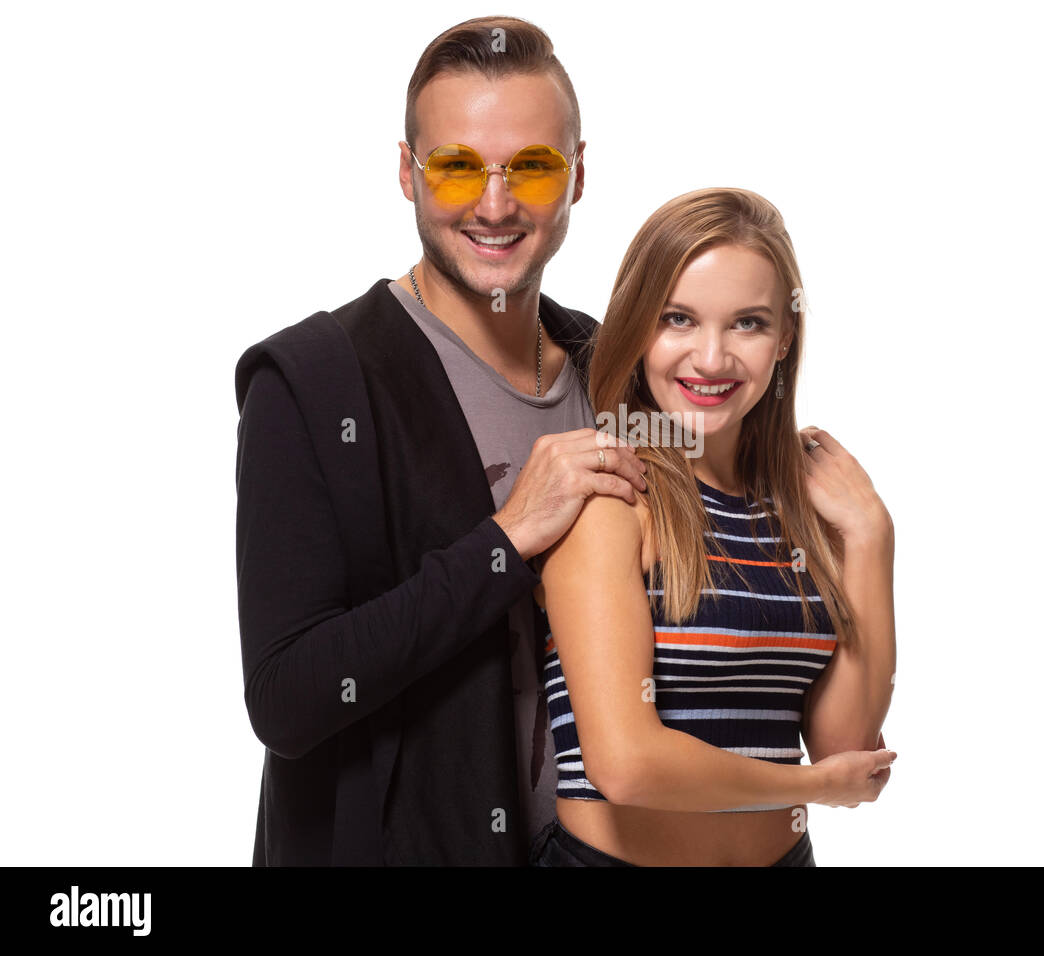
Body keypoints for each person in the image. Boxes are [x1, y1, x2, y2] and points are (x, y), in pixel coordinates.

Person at [232, 16, 647, 865]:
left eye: (531, 166)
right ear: (406, 174)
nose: (494, 205)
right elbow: (288, 698)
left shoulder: (613, 372)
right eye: (458, 166)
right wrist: (506, 540)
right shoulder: (312, 381)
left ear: (577, 178)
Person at [530, 188, 898, 866]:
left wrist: (872, 537)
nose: (711, 358)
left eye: (748, 324)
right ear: (638, 327)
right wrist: (813, 786)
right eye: (678, 319)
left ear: (784, 338)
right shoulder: (611, 501)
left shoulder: (801, 512)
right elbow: (627, 764)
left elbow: (847, 748)